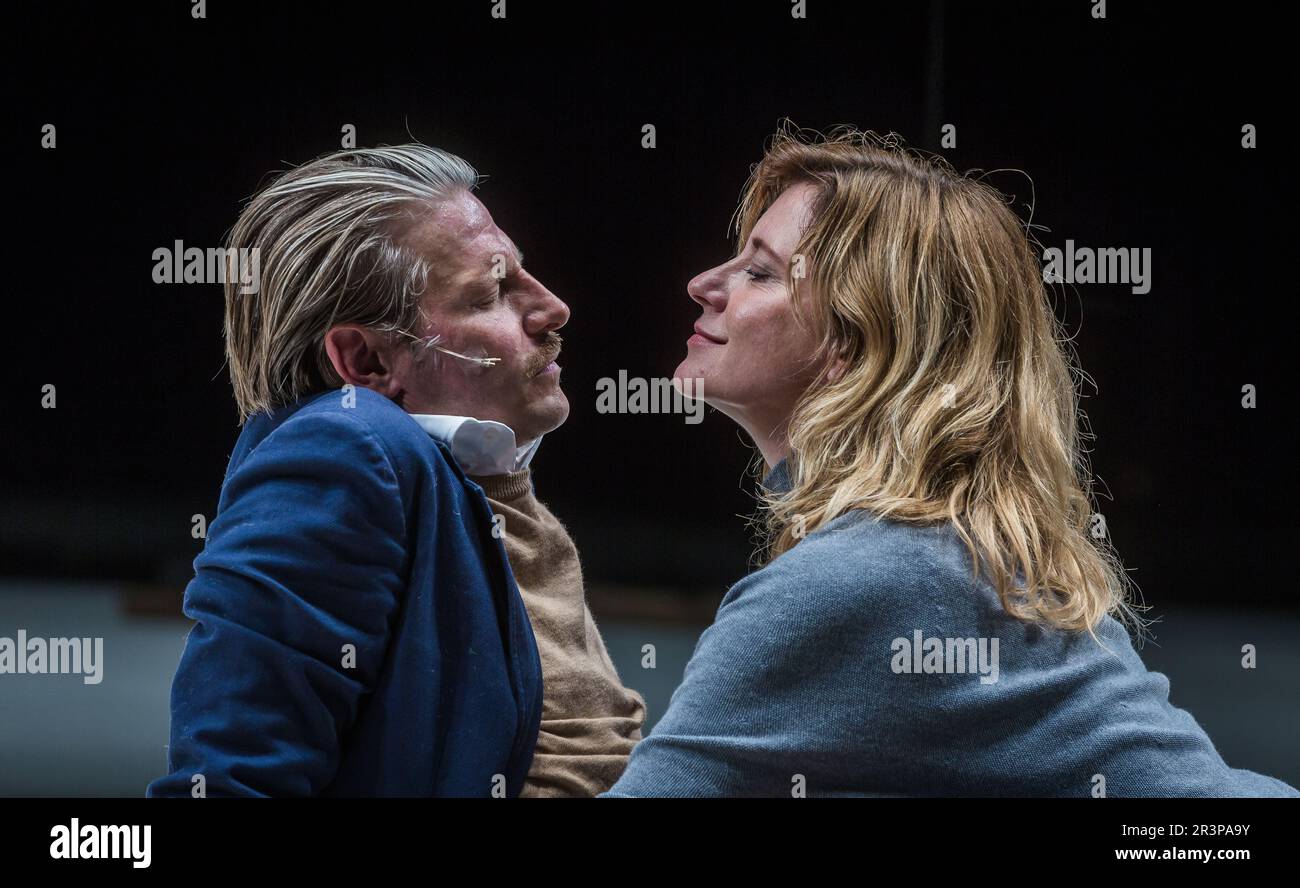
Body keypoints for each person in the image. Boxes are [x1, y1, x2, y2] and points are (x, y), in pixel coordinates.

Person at [604, 125, 1298, 797]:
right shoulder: (950, 557)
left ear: (857, 342)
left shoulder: (852, 581)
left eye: (760, 271)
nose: (703, 282)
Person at [147, 144, 643, 798]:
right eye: (493, 291)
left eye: (525, 274)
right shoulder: (346, 447)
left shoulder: (477, 484)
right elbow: (232, 781)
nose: (552, 308)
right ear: (366, 360)